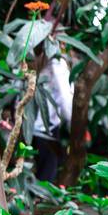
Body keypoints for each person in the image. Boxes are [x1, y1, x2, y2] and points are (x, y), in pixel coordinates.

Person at [28, 42, 73, 184]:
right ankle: (40, 199)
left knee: (34, 165)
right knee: (47, 173)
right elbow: (64, 97)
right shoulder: (57, 64)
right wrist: (72, 122)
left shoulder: (32, 59)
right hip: (47, 126)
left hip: (29, 122)